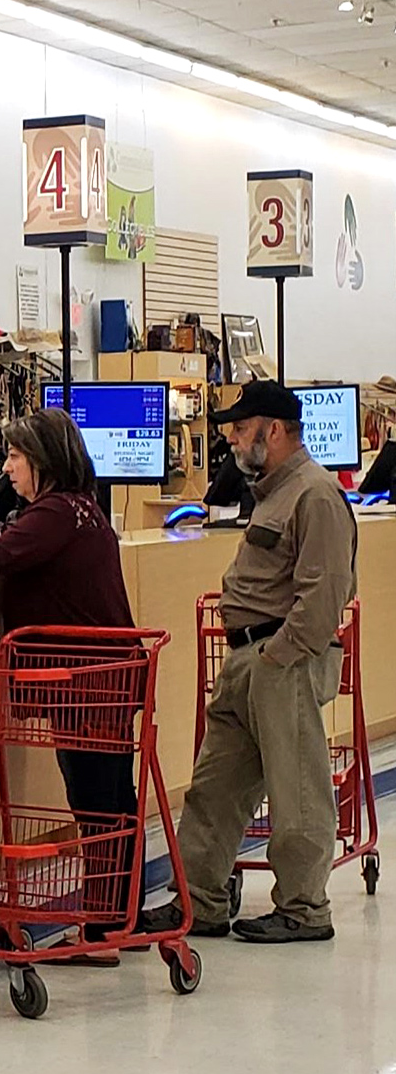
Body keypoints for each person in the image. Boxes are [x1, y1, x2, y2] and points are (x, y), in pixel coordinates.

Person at [144, 380, 356, 945]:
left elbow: (324, 594)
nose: (234, 439)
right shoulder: (273, 492)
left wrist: (276, 656)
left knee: (298, 789)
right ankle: (201, 900)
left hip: (281, 661)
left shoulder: (314, 495)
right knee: (213, 788)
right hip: (247, 658)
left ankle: (305, 908)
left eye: (242, 428)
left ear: (276, 430)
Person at [0, 407, 142, 965]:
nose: (8, 470)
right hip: (109, 676)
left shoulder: (53, 514)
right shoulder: (84, 511)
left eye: (16, 458)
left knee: (95, 802)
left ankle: (101, 934)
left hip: (82, 682)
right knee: (114, 802)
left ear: (42, 461)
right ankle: (118, 917)